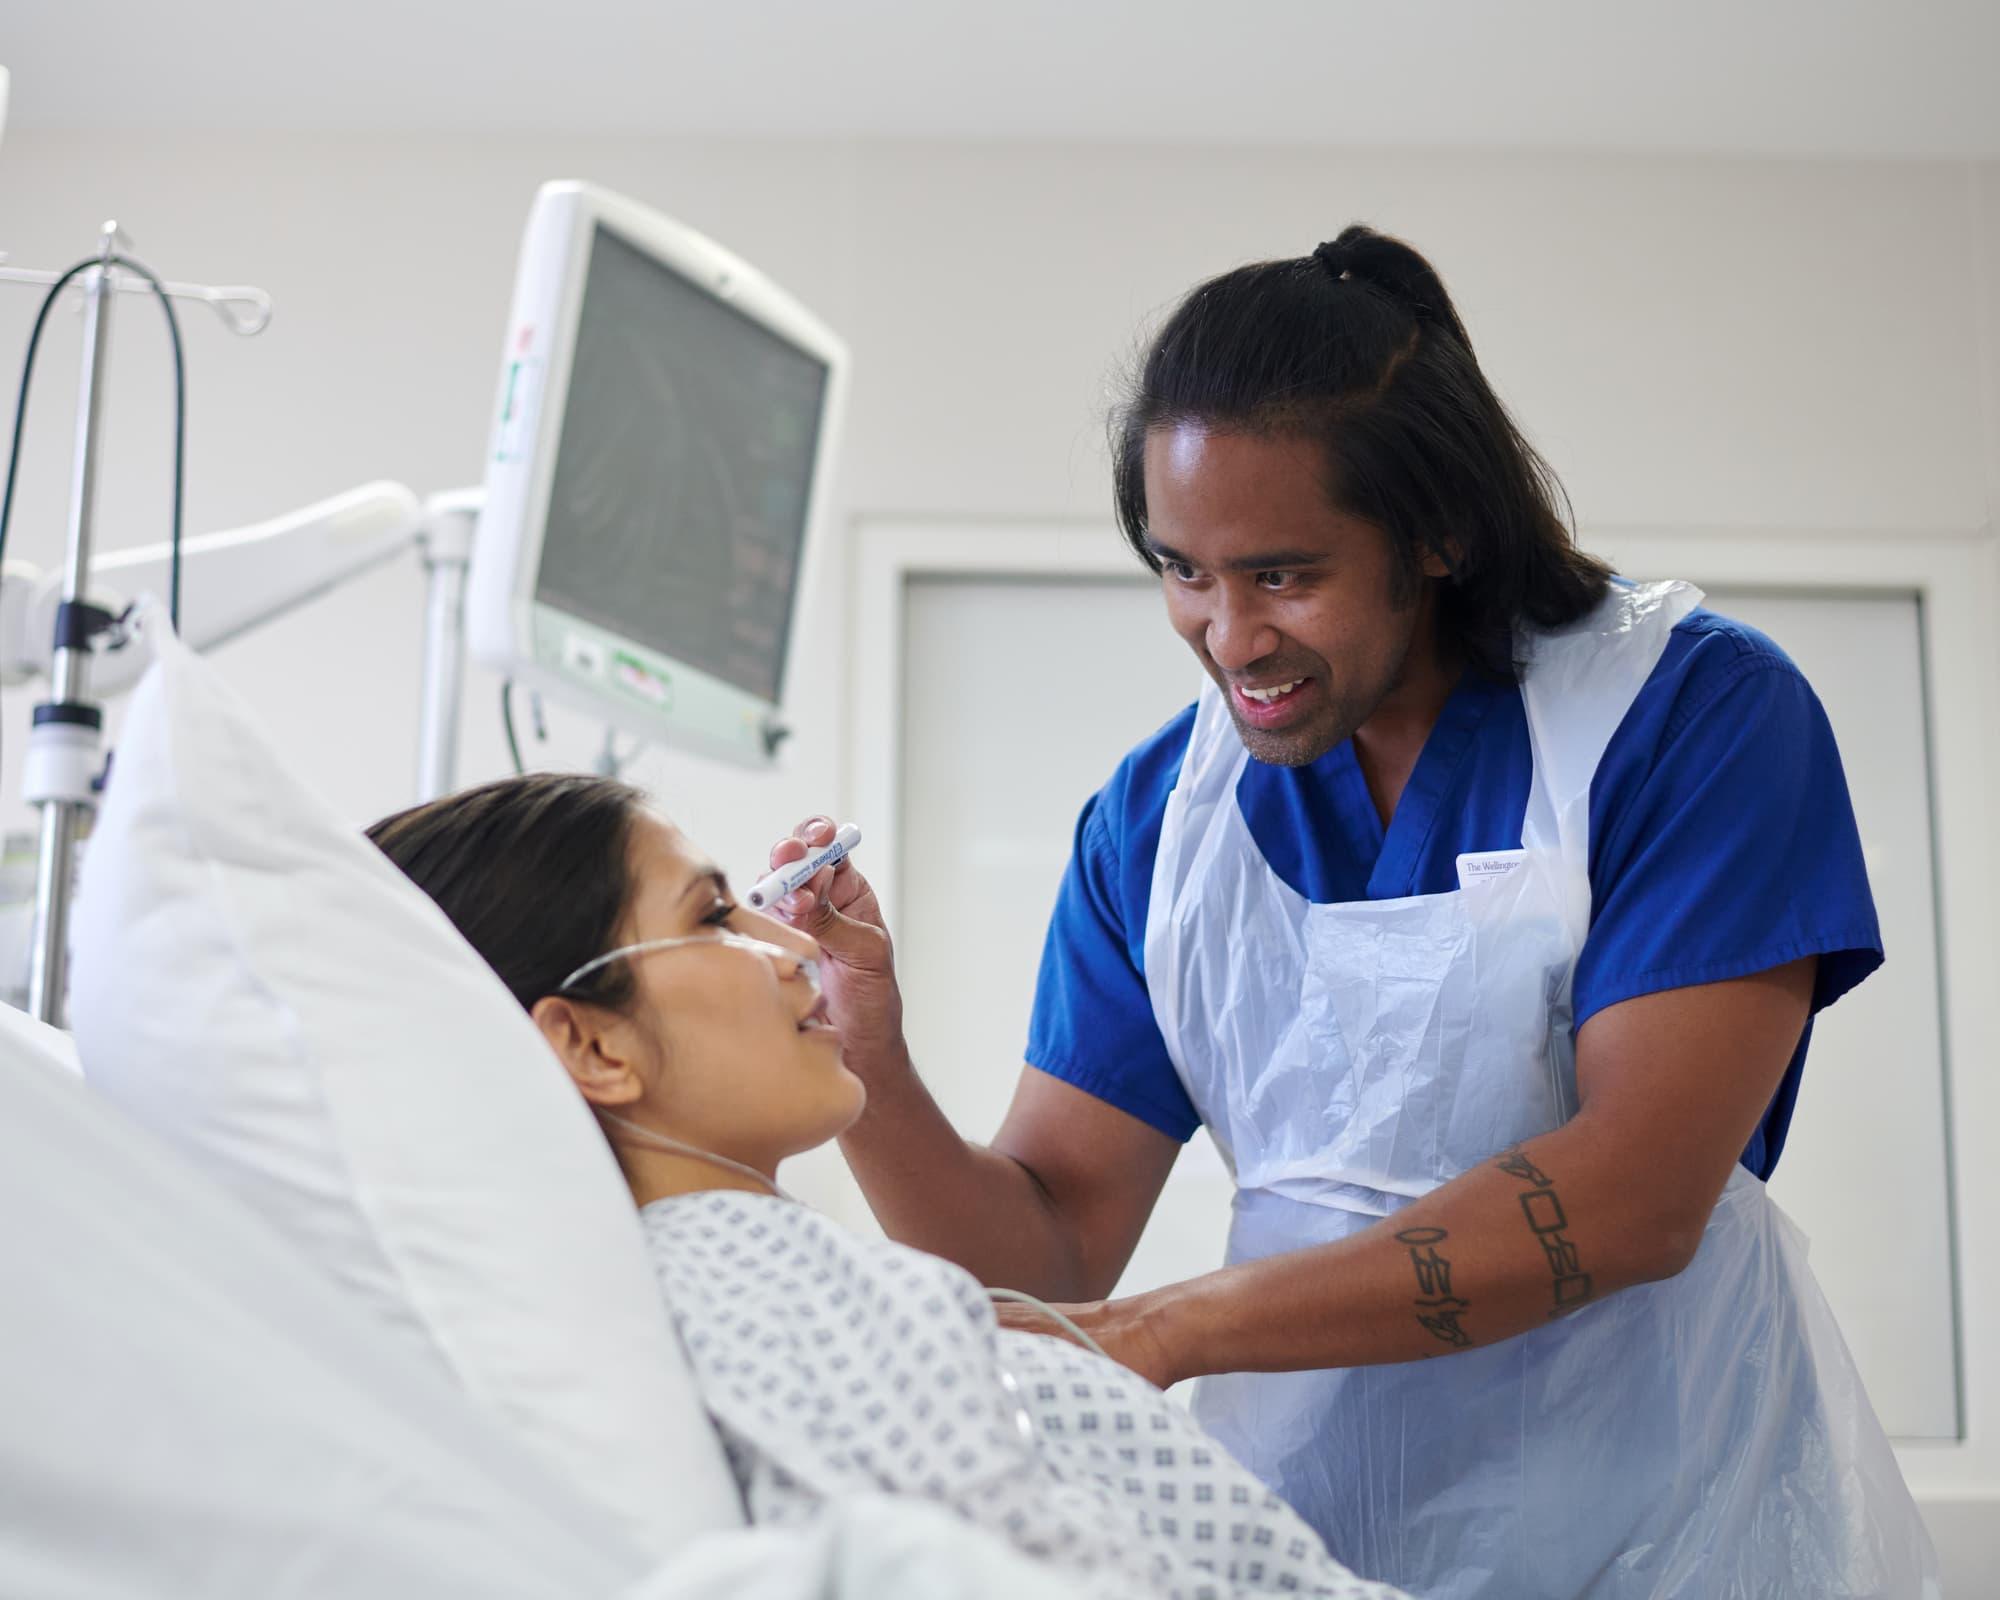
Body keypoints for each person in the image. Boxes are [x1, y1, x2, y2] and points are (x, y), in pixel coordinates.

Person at [763, 227, 1939, 1598]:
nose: (1230, 635)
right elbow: (1048, 1259)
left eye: (1284, 574)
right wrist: (870, 1065)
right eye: (1182, 571)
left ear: (1440, 532)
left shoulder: (1689, 717)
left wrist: (1170, 1329)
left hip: (1669, 1533)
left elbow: (1633, 1195)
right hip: (1304, 1547)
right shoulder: (1159, 826)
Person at [367, 775, 1411, 1600]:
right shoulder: (753, 1283)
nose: (788, 948)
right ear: (593, 1044)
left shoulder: (735, 1288)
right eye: (715, 914)